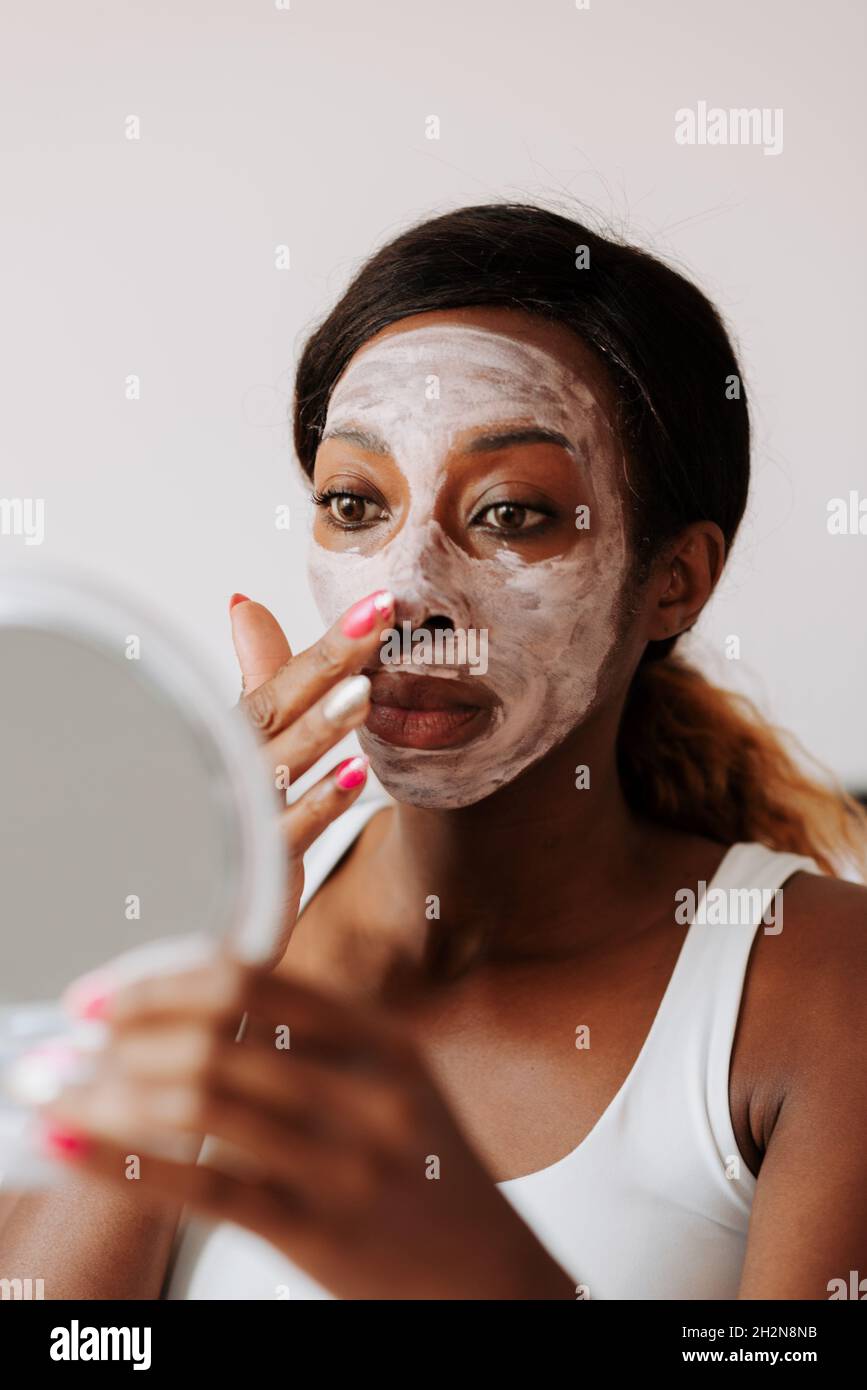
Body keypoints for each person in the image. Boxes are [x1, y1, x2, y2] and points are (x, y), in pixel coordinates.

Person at [5, 204, 867, 1300]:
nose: (402, 592)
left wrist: (466, 1262)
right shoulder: (194, 935)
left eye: (510, 514)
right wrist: (196, 949)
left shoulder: (823, 988)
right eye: (355, 502)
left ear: (675, 582)